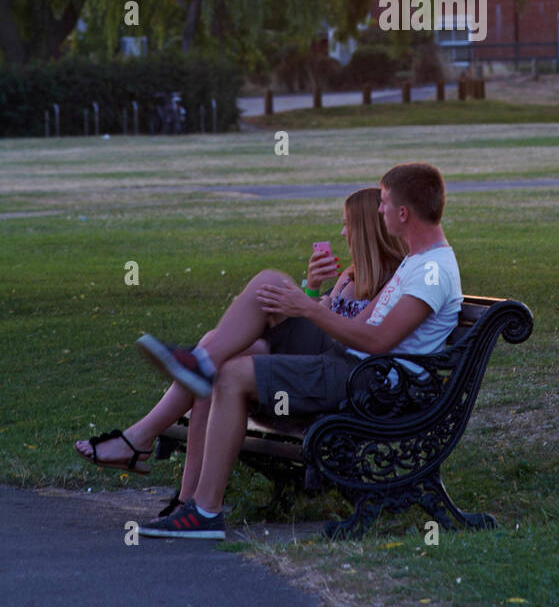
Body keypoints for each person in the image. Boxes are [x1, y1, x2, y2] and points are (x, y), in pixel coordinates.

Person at [135, 161, 461, 538]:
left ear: (403, 213)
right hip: (350, 363)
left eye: (385, 202)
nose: (380, 209)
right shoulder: (416, 261)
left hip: (368, 383)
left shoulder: (433, 272)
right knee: (260, 303)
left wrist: (306, 309)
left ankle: (205, 511)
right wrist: (308, 300)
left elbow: (377, 342)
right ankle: (199, 368)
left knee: (232, 375)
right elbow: (362, 327)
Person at [74, 187, 406, 515]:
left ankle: (141, 439)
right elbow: (320, 313)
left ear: (367, 229)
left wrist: (304, 303)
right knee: (216, 355)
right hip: (320, 357)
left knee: (266, 286)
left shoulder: (393, 281)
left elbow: (351, 333)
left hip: (341, 372)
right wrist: (311, 288)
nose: (343, 231)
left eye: (349, 223)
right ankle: (186, 495)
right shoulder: (349, 277)